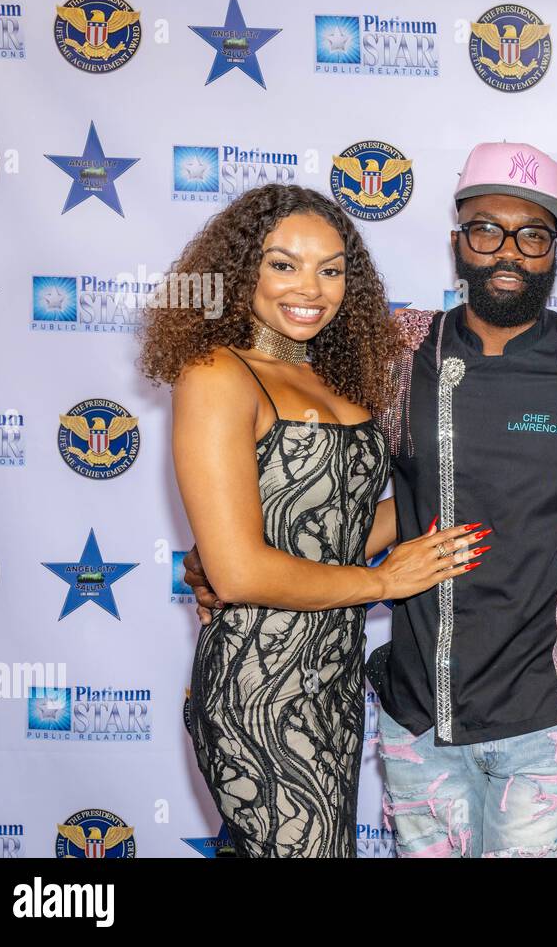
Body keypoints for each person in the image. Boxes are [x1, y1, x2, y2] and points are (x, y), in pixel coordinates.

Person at [142, 184, 485, 857]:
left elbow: (335, 532)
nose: (312, 287)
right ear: (243, 270)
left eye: (332, 269)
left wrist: (451, 505)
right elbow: (237, 571)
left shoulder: (340, 379)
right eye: (284, 264)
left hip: (331, 681)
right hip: (255, 688)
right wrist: (385, 584)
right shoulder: (217, 374)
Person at [364, 141, 557, 857]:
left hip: (545, 717)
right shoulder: (399, 350)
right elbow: (328, 482)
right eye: (486, 229)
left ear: (554, 250)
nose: (509, 250)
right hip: (419, 718)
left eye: (532, 234)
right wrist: (241, 558)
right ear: (457, 245)